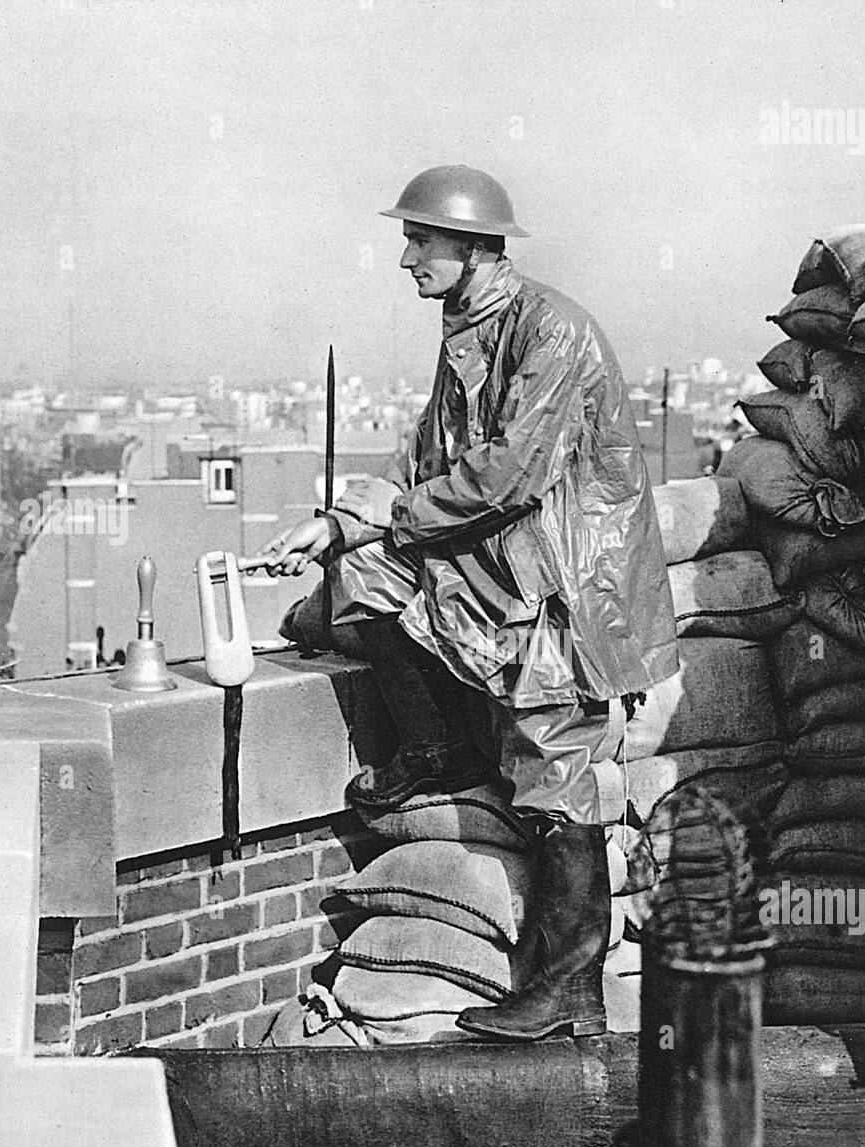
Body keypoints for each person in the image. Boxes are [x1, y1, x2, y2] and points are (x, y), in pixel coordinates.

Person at [255, 164, 678, 1040]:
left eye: (420, 240)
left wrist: (391, 519)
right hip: (500, 561)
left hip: (565, 584)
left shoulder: (549, 330)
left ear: (474, 248)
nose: (406, 258)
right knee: (359, 588)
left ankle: (567, 988)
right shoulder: (468, 328)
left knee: (551, 771)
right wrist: (339, 527)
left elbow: (513, 474)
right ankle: (440, 754)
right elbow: (425, 461)